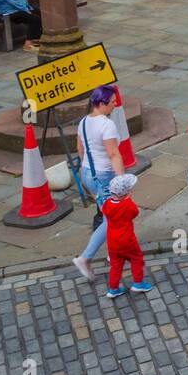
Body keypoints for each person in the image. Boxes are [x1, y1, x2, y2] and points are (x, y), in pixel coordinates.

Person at [72, 85, 127, 282]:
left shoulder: (84, 122)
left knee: (110, 215)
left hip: (88, 173)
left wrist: (89, 167)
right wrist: (122, 181)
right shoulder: (106, 125)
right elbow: (113, 154)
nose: (115, 104)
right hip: (104, 177)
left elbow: (80, 149)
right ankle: (86, 258)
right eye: (112, 101)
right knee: (112, 218)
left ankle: (115, 253)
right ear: (102, 103)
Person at [102, 173, 150, 298]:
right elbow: (134, 213)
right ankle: (138, 283)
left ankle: (113, 289)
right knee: (136, 259)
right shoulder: (127, 205)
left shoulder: (107, 204)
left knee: (116, 265)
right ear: (126, 193)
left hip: (112, 242)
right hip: (127, 240)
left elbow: (106, 210)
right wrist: (128, 199)